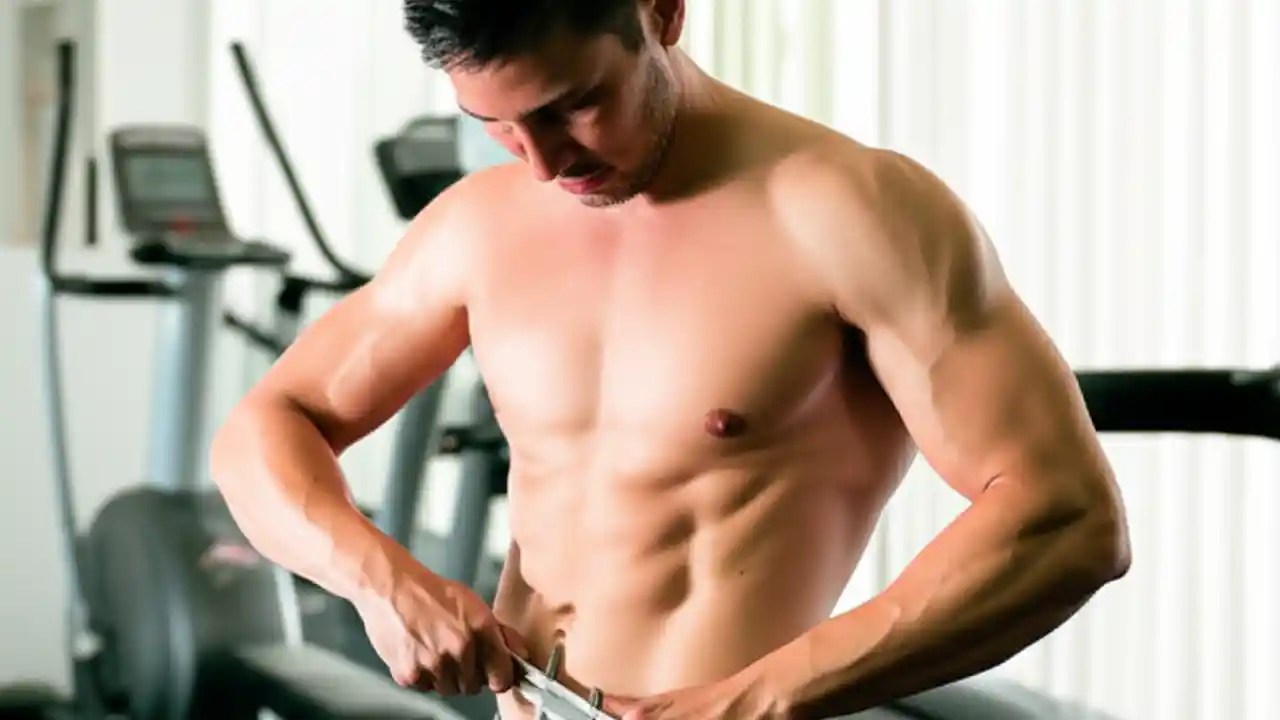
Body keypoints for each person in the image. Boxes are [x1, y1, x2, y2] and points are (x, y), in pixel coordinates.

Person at [209, 1, 1132, 718]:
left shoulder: (851, 212)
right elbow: (267, 427)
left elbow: (1066, 517)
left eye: (573, 106)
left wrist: (763, 698)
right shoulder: (479, 226)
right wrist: (381, 584)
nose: (543, 163)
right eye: (497, 124)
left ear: (662, 11)